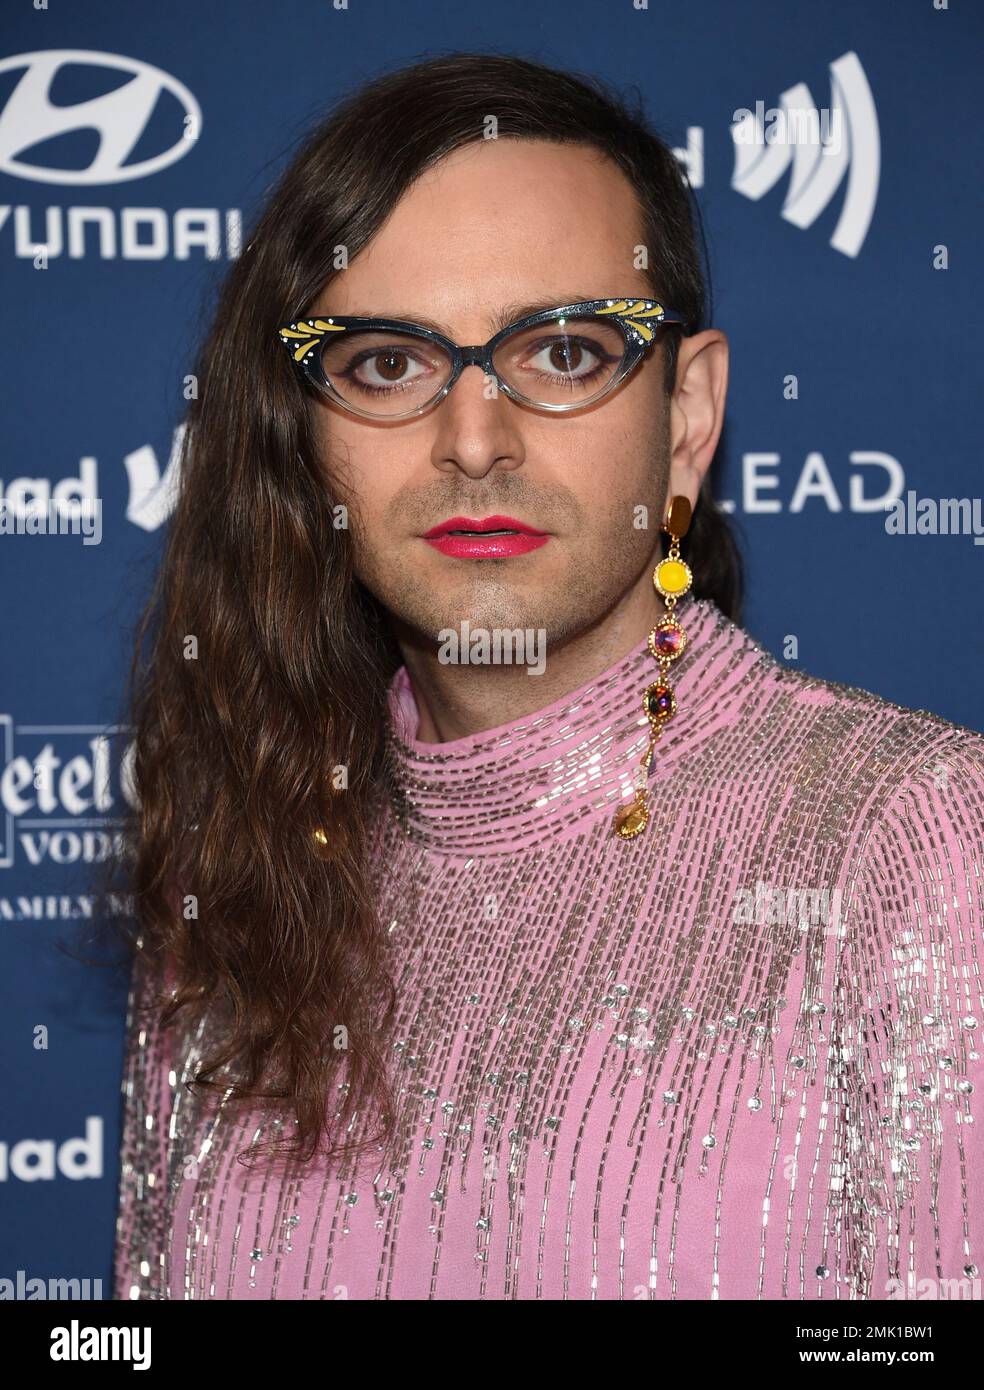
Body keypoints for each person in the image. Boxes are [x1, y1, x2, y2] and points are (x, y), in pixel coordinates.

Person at [110, 52, 984, 1302]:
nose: (474, 438)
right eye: (386, 364)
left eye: (566, 353)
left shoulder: (922, 847)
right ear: (304, 440)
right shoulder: (240, 875)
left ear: (686, 417)